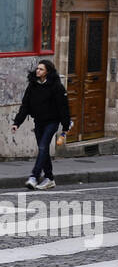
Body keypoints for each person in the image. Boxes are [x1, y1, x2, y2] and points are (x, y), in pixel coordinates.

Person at [11, 60, 72, 191]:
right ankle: (49, 178)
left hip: (52, 122)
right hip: (39, 121)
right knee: (42, 149)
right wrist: (17, 123)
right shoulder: (32, 86)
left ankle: (34, 176)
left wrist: (65, 127)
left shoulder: (56, 87)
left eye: (41, 69)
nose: (37, 71)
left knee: (43, 147)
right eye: (37, 69)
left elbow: (63, 107)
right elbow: (25, 105)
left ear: (47, 72)